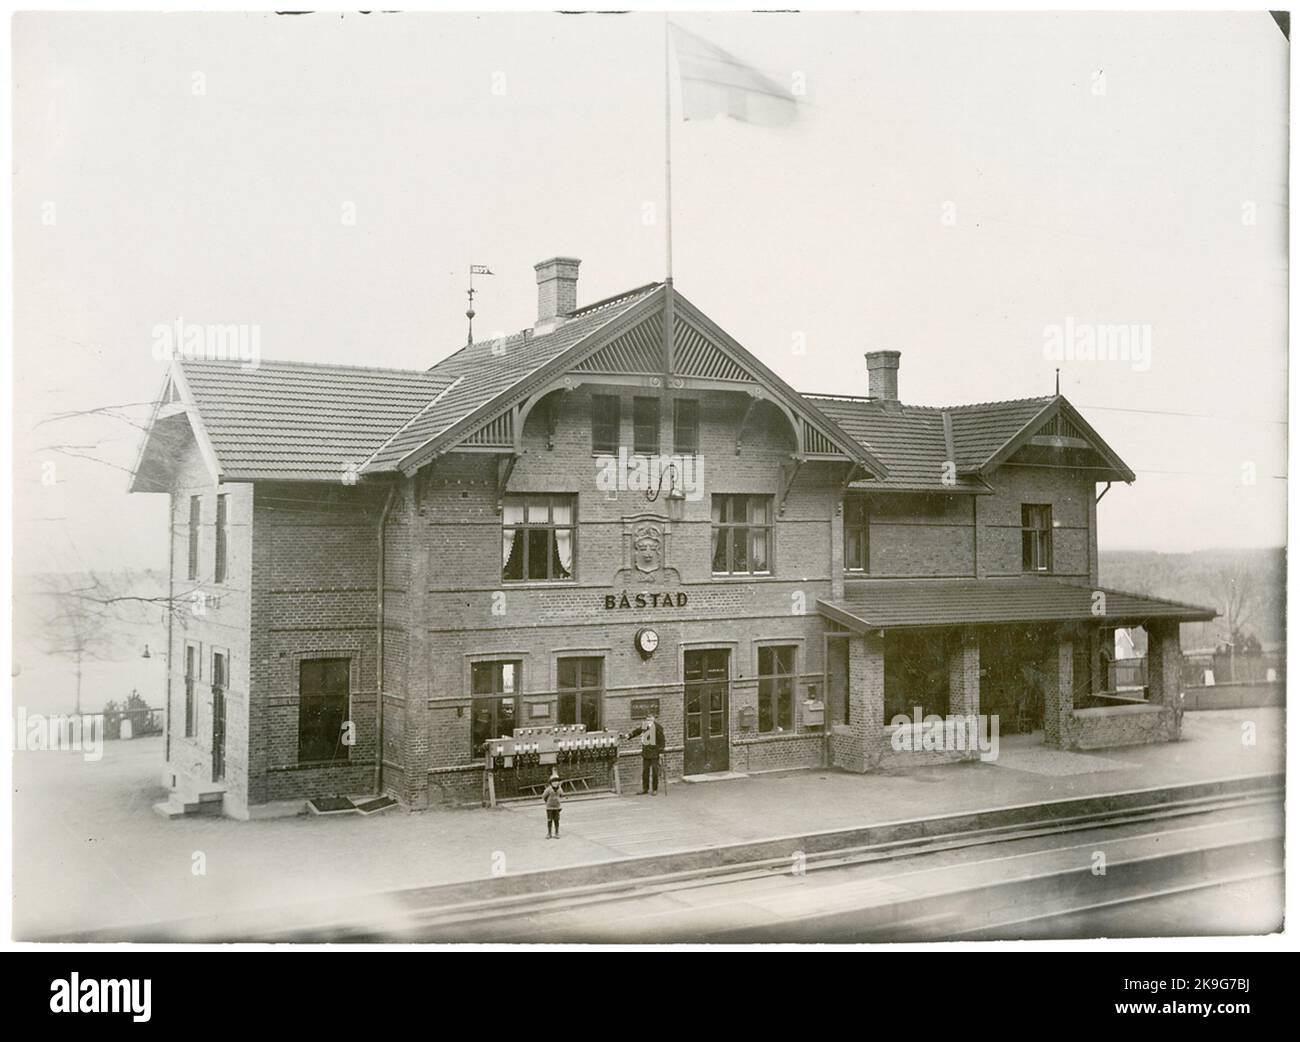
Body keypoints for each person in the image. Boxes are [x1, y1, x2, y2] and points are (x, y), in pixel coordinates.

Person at [621, 714, 666, 795]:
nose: (648, 721)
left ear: (653, 719)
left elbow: (662, 740)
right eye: (647, 719)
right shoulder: (644, 725)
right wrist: (629, 735)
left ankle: (655, 789)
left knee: (655, 771)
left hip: (655, 752)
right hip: (646, 752)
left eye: (650, 719)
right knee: (645, 771)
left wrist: (661, 752)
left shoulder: (658, 727)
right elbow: (637, 731)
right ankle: (645, 788)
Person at [542, 769, 563, 838]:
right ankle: (549, 833)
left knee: (556, 820)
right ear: (551, 782)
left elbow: (561, 795)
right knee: (549, 820)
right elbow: (544, 796)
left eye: (557, 781)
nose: (555, 783)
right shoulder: (548, 789)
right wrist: (547, 802)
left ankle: (557, 832)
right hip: (549, 808)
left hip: (557, 807)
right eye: (553, 781)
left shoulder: (560, 789)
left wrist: (559, 802)